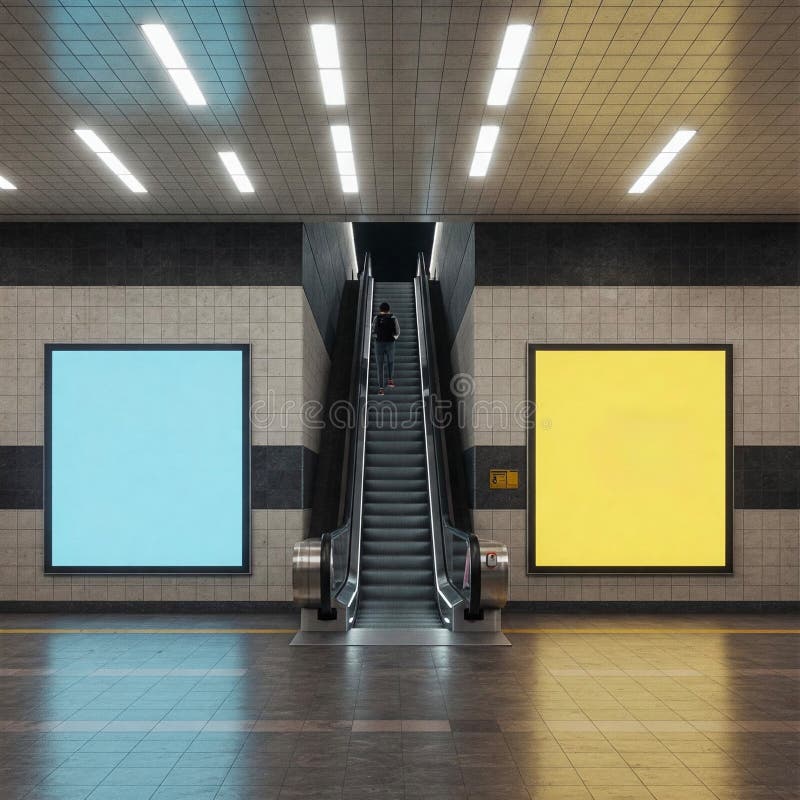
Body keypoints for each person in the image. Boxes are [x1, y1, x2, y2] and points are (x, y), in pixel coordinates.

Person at [372, 301, 400, 395]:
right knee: (390, 361)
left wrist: (377, 338)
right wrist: (393, 338)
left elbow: (373, 331)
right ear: (389, 310)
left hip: (379, 344)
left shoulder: (376, 318)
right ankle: (390, 380)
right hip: (390, 343)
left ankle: (381, 389)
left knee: (379, 366)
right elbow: (397, 332)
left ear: (380, 310)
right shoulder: (393, 318)